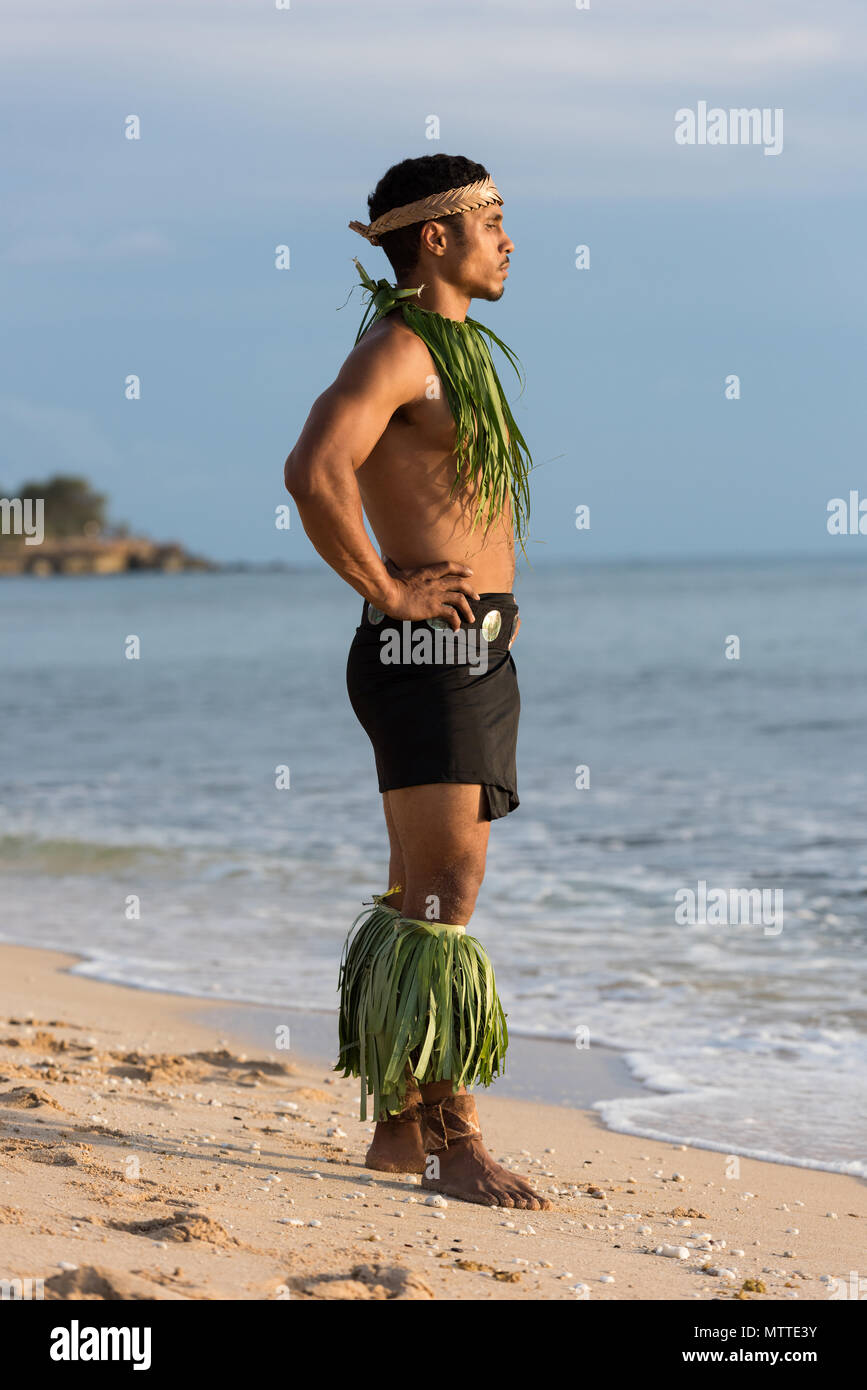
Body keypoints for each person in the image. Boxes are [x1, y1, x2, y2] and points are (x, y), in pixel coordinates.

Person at [284, 153, 548, 1209]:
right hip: (430, 651)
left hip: (466, 651)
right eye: (491, 218)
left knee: (418, 898)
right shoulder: (402, 350)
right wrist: (391, 592)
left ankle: (398, 1124)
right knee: (446, 899)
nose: (509, 237)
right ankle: (450, 1138)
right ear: (433, 238)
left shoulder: (458, 350)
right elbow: (312, 469)